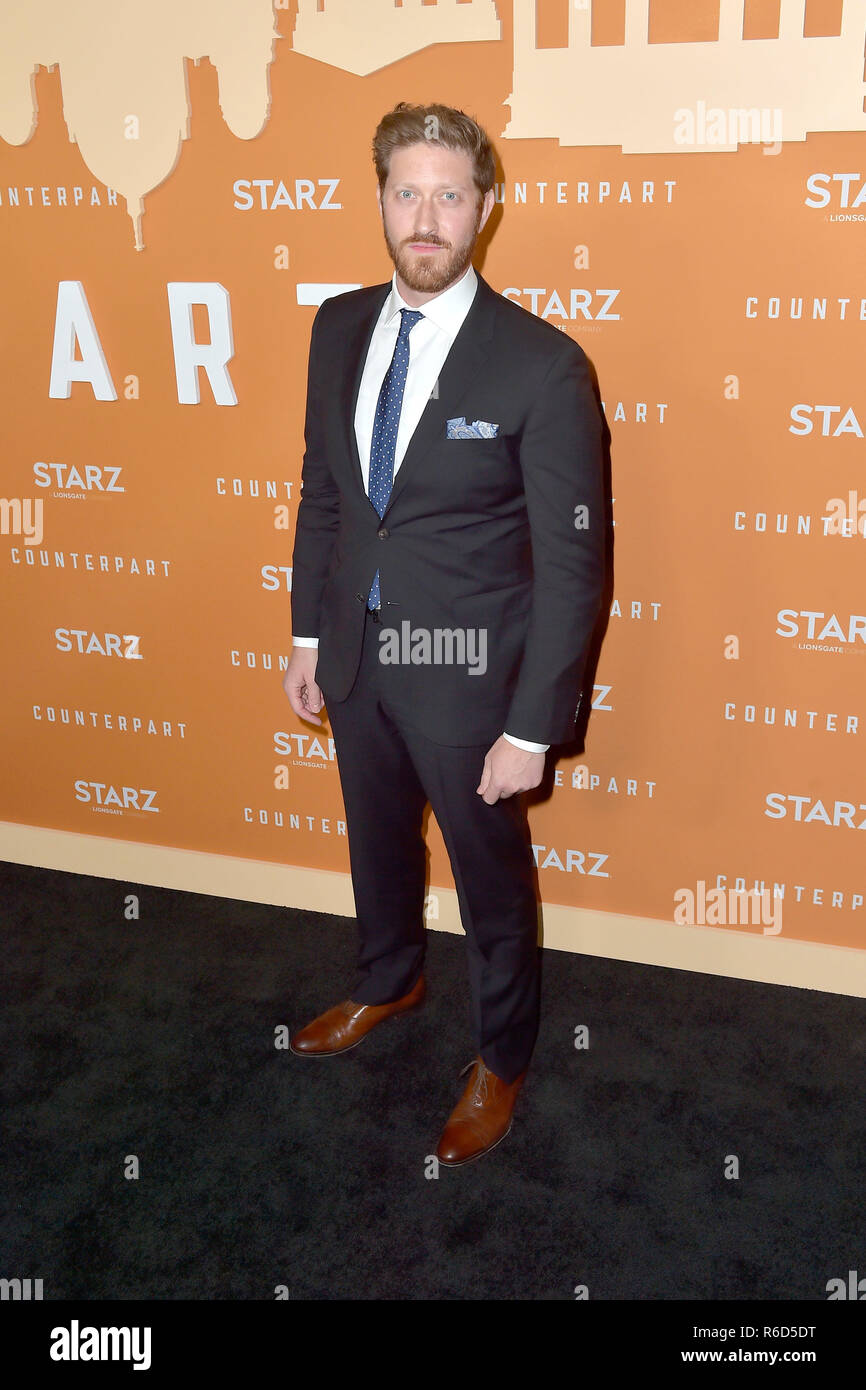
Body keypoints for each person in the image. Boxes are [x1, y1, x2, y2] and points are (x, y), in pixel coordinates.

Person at [283, 102, 605, 1166]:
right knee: (374, 841)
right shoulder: (335, 324)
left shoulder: (541, 365)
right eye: (406, 192)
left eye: (448, 195)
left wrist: (530, 725)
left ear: (486, 207)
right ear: (379, 196)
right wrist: (305, 638)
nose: (425, 218)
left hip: (469, 675)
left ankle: (501, 1055)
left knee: (488, 879)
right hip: (356, 655)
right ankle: (389, 978)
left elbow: (571, 567)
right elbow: (324, 495)